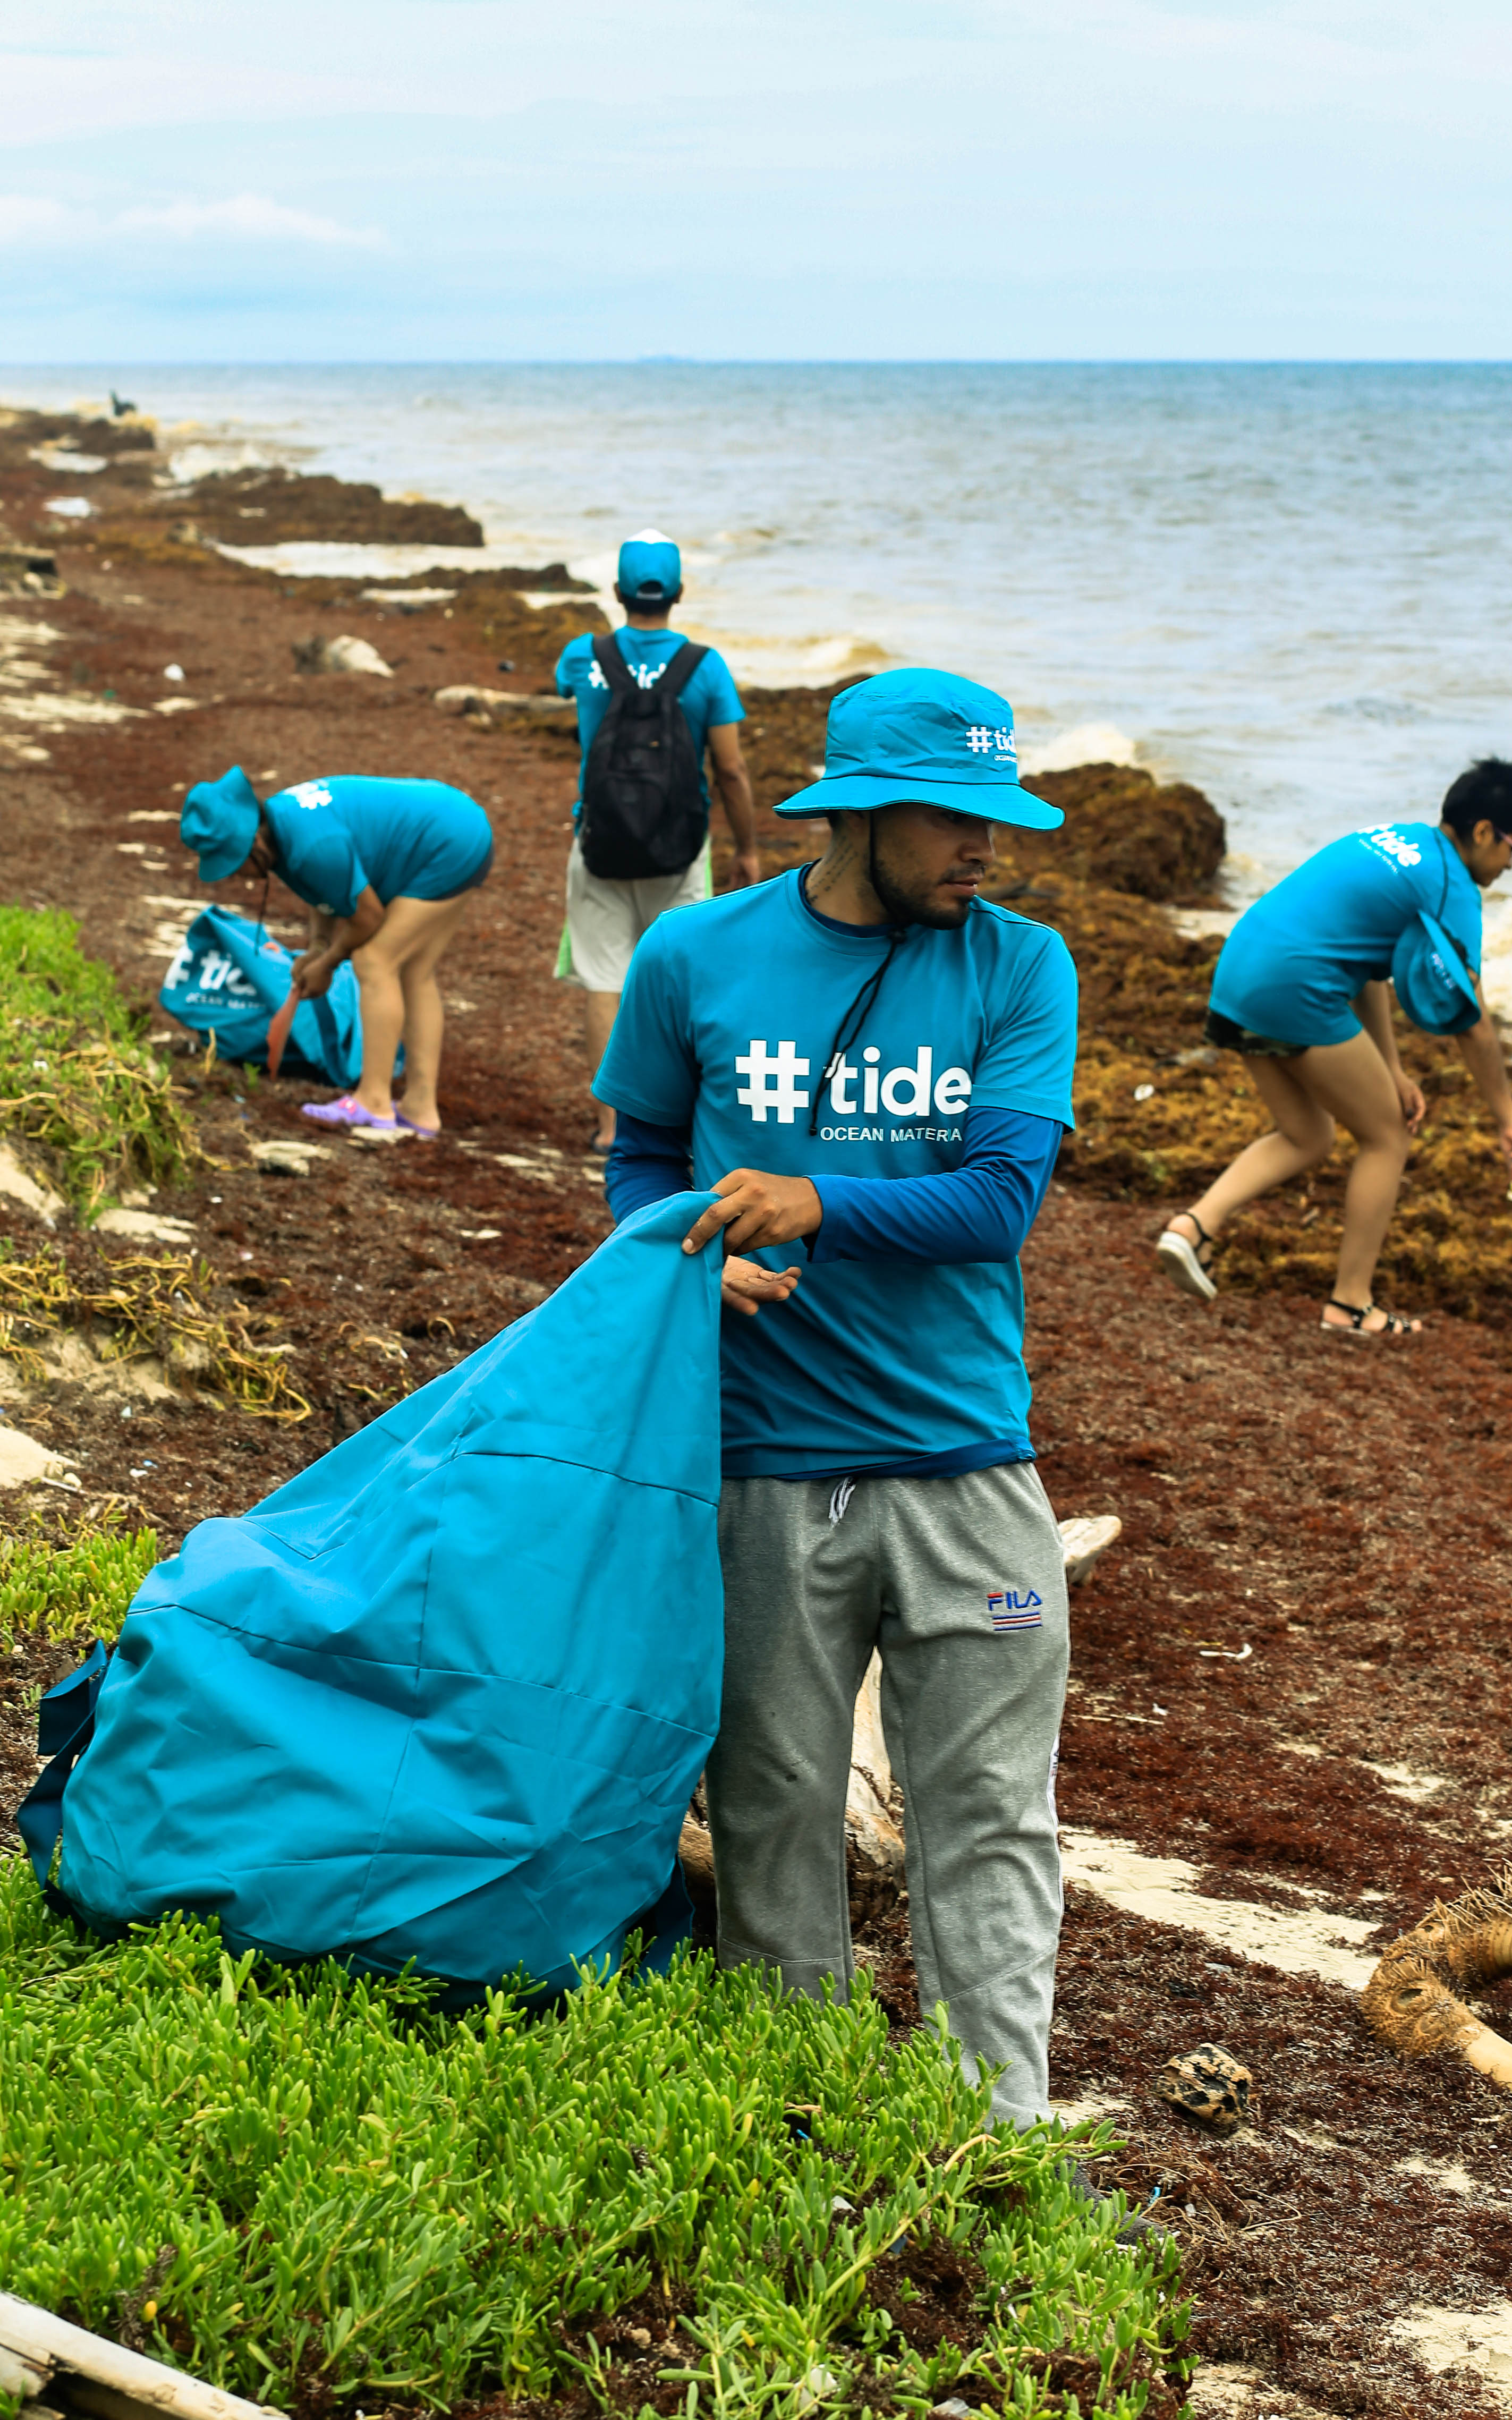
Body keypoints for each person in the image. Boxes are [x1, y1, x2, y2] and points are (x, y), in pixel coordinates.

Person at [593, 669, 1083, 2136]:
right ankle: (787, 2115)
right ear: (861, 811)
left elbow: (1000, 1199)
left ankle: (994, 2135)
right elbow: (637, 1160)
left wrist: (814, 1199)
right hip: (760, 1467)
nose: (985, 848)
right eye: (956, 819)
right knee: (772, 1817)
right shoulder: (692, 957)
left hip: (965, 1466)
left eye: (1001, 817)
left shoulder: (1018, 966)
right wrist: (690, 1259)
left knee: (991, 1819)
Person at [1157, 757, 1512, 1336]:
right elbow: (1474, 1024)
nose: (1511, 866)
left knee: (1308, 1134)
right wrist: (1508, 1121)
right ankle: (1350, 1305)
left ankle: (1191, 1227)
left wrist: (1390, 1068)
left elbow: (1369, 970)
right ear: (1485, 832)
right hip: (1295, 986)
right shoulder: (1452, 887)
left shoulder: (1400, 841)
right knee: (1387, 1136)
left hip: (1241, 971)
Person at [555, 531, 759, 1153]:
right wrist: (747, 848)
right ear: (679, 593)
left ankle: (613, 1128)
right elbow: (729, 769)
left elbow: (568, 690)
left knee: (605, 982)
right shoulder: (706, 667)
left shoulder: (583, 655)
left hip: (599, 840)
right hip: (680, 847)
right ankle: (674, 1123)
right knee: (675, 982)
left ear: (617, 593)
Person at [179, 767, 493, 1138]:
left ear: (253, 844)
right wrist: (318, 946)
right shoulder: (283, 825)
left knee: (375, 960)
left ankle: (373, 1100)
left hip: (446, 843)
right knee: (413, 972)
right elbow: (327, 892)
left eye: (234, 861)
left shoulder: (310, 846)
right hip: (459, 827)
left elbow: (368, 917)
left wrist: (328, 964)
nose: (238, 875)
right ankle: (421, 1110)